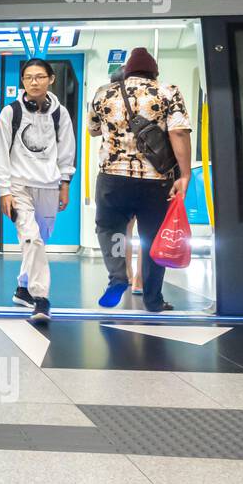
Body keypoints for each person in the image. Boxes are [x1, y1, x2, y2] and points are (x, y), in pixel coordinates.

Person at [89, 47, 192, 312]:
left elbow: (93, 130)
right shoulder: (167, 91)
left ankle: (118, 277)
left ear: (127, 71)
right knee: (154, 239)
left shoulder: (103, 92)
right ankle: (153, 300)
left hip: (113, 178)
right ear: (154, 72)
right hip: (156, 181)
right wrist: (185, 173)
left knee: (110, 230)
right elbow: (179, 133)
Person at [0, 58, 76, 323]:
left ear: (51, 79)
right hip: (19, 186)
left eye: (39, 76)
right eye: (28, 77)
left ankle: (22, 287)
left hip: (49, 185)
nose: (33, 82)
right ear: (23, 81)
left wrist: (65, 184)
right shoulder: (10, 112)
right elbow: (0, 153)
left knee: (40, 240)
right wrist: (3, 190)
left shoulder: (60, 114)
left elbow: (66, 152)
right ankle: (41, 299)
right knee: (31, 238)